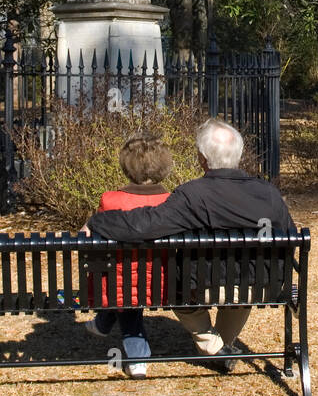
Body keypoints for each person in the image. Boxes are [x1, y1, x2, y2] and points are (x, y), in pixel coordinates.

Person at [82, 118, 295, 370]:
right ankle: (222, 346)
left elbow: (145, 225)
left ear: (202, 158)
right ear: (238, 155)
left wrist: (98, 222)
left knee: (177, 289)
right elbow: (290, 238)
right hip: (262, 286)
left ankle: (214, 347)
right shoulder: (268, 192)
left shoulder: (194, 194)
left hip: (206, 285)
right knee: (243, 284)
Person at [82, 132, 174, 379]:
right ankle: (102, 325)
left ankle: (137, 358)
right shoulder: (172, 202)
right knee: (130, 283)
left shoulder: (110, 200)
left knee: (122, 283)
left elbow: (89, 238)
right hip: (163, 281)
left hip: (119, 279)